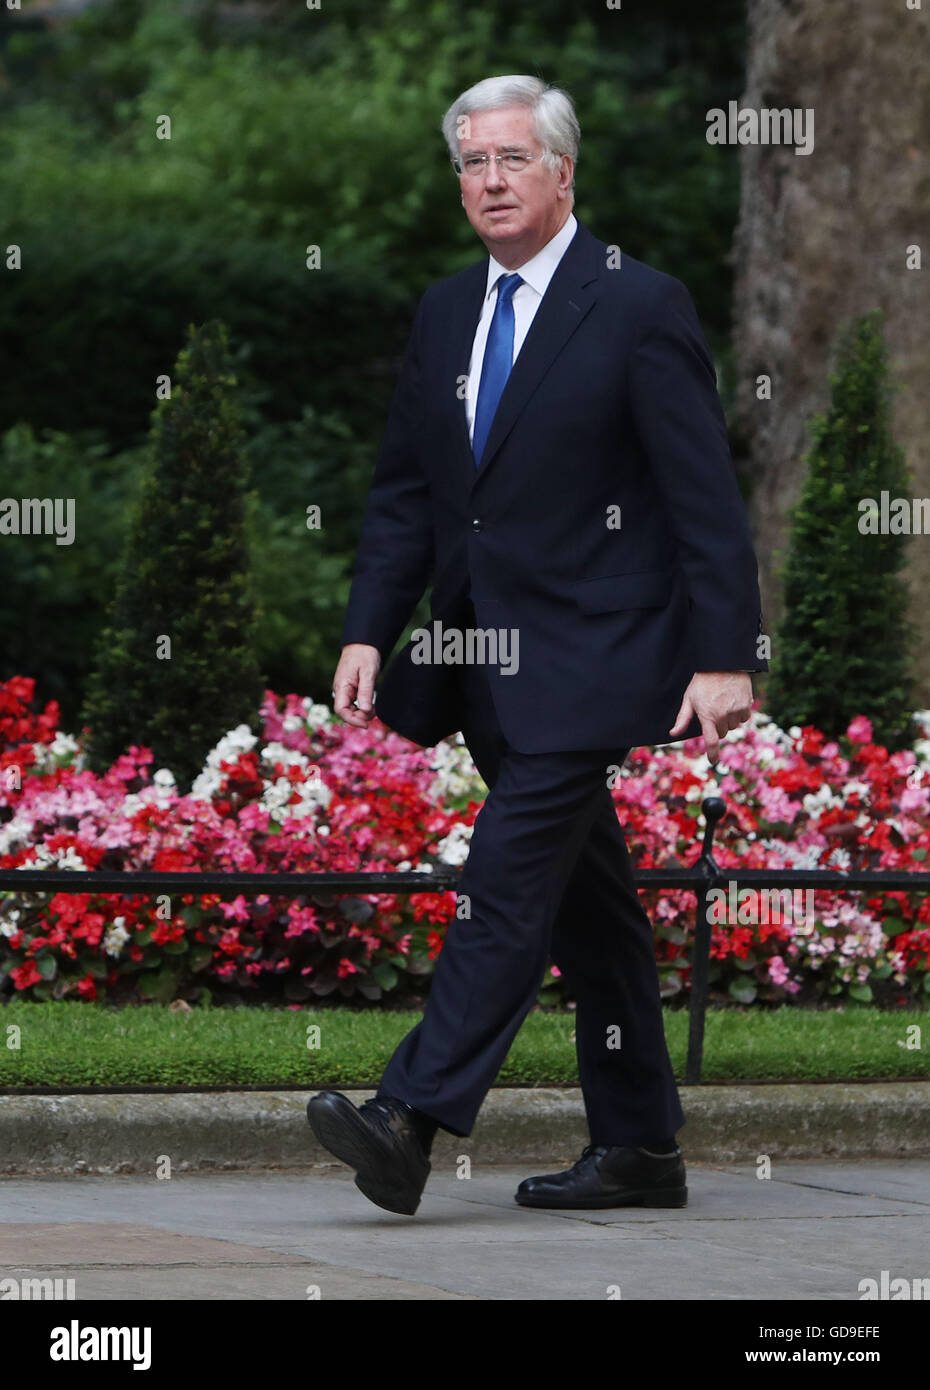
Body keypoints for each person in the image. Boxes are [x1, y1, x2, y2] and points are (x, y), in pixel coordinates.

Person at [307, 74, 767, 1216]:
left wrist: (726, 654)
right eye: (472, 162)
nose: (491, 180)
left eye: (513, 159)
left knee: (505, 885)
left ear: (564, 172)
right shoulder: (446, 311)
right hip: (487, 662)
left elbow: (702, 496)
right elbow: (411, 491)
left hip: (598, 655)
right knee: (589, 907)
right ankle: (642, 1147)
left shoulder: (638, 303)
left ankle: (406, 1117)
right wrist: (373, 626)